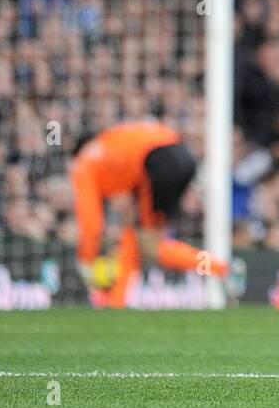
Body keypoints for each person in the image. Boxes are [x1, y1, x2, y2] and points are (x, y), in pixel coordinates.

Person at [71, 121, 229, 308]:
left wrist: (86, 260)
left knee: (148, 245)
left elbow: (90, 221)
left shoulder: (85, 162)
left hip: (158, 164)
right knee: (135, 236)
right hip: (182, 156)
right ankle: (116, 301)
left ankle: (220, 268)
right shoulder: (113, 142)